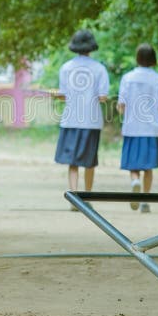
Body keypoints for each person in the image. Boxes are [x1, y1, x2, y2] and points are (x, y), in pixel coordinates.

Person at [54, 29, 110, 206]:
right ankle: (87, 197)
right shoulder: (99, 68)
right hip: (91, 120)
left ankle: (73, 199)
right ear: (91, 47)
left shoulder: (66, 68)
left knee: (73, 162)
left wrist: (57, 95)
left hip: (70, 119)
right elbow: (103, 97)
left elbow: (63, 95)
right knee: (89, 161)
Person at [117, 43, 158, 213]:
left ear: (137, 58)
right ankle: (145, 200)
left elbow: (121, 105)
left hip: (132, 126)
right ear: (154, 59)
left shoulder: (128, 78)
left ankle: (134, 181)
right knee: (149, 166)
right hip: (152, 128)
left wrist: (123, 113)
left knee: (133, 164)